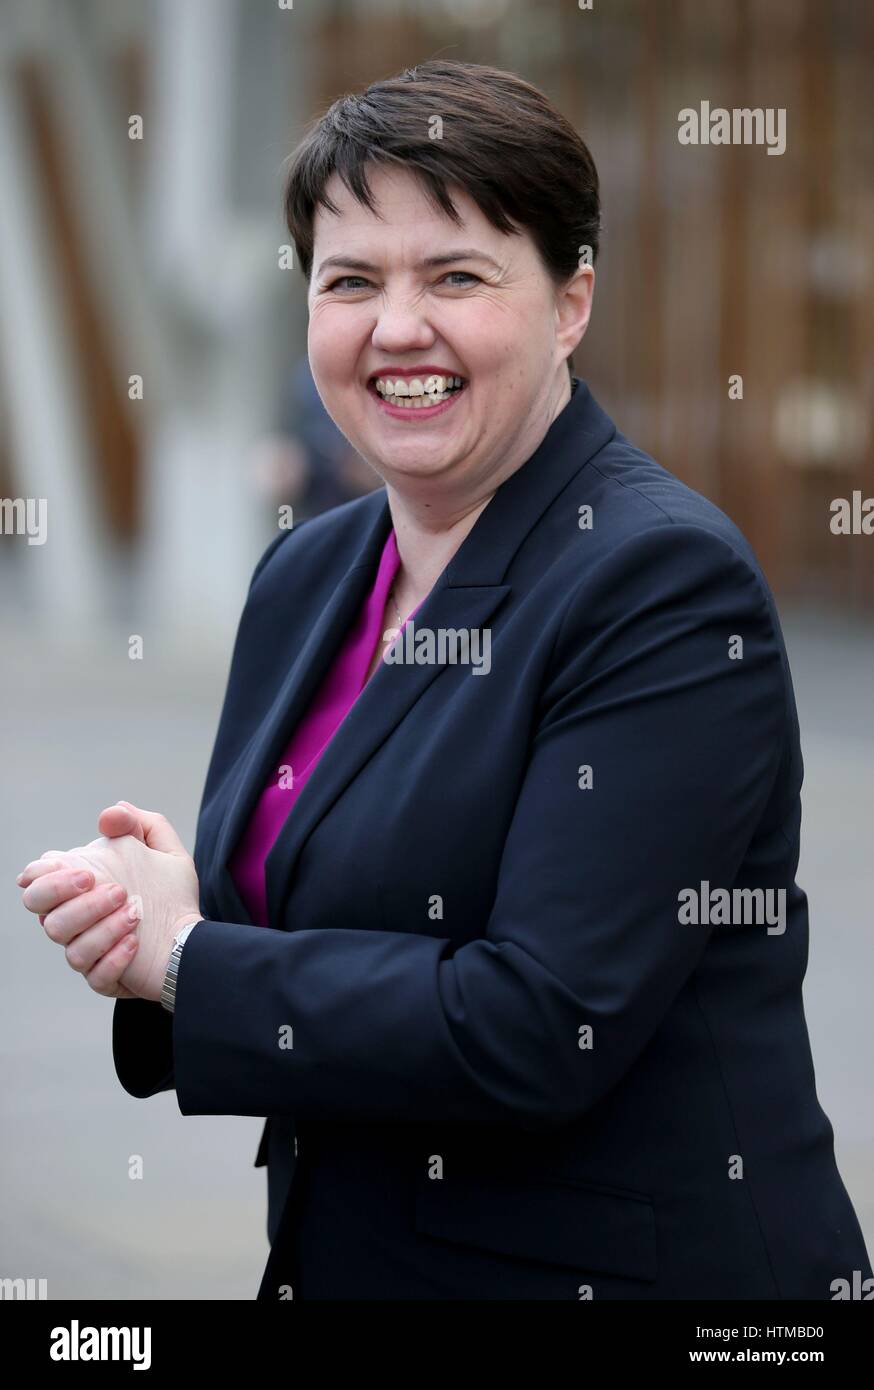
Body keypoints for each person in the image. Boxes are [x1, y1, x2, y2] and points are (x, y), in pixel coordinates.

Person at [17, 59, 871, 1301]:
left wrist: (190, 959)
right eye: (349, 280)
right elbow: (328, 925)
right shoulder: (306, 576)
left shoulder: (660, 584)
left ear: (571, 300)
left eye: (457, 276)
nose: (395, 327)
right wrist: (157, 908)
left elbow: (537, 1022)